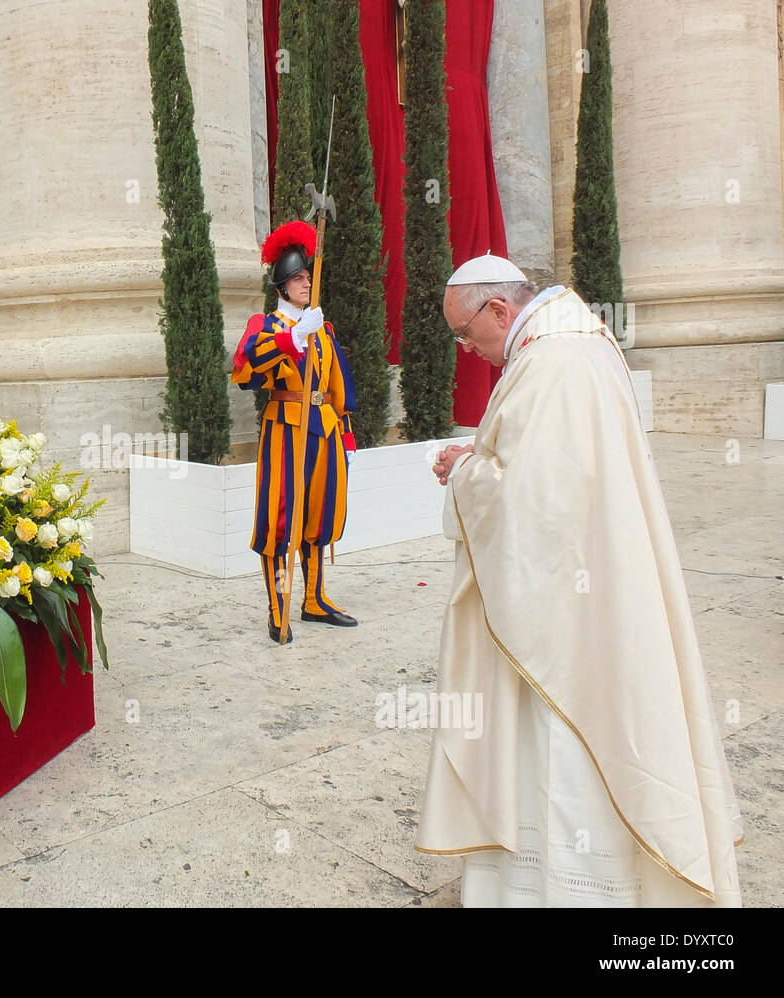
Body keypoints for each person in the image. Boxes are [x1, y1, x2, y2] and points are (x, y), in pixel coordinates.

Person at [415, 254, 743, 906]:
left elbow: (532, 508)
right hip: (600, 585)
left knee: (565, 741)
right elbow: (545, 466)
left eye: (466, 333)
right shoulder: (573, 343)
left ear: (500, 310)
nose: (468, 349)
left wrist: (463, 475)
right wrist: (481, 455)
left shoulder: (552, 363)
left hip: (567, 610)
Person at [231, 220, 358, 644]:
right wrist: (290, 339)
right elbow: (247, 369)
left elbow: (336, 383)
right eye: (298, 279)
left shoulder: (321, 326)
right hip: (286, 430)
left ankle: (314, 600)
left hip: (324, 430)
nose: (306, 284)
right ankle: (278, 607)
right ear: (282, 286)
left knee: (318, 517)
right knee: (280, 519)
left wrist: (346, 433)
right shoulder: (266, 324)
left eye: (307, 277)